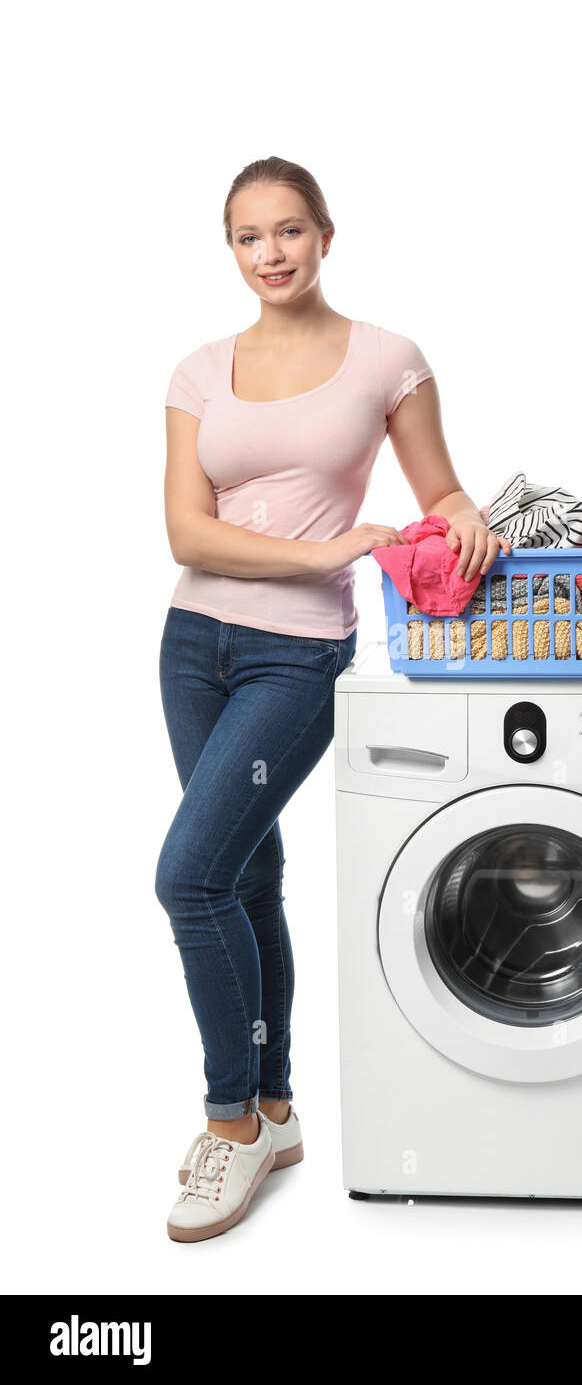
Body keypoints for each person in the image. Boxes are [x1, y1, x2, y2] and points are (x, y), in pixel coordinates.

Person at [156, 155, 511, 1242]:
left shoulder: (387, 361)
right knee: (243, 877)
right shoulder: (198, 370)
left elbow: (438, 487)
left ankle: (228, 1126)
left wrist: (461, 519)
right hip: (190, 644)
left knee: (187, 878)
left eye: (290, 230)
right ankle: (275, 1109)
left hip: (297, 657)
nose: (271, 253)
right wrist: (327, 544)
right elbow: (187, 533)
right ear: (232, 249)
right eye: (250, 236)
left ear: (325, 235)